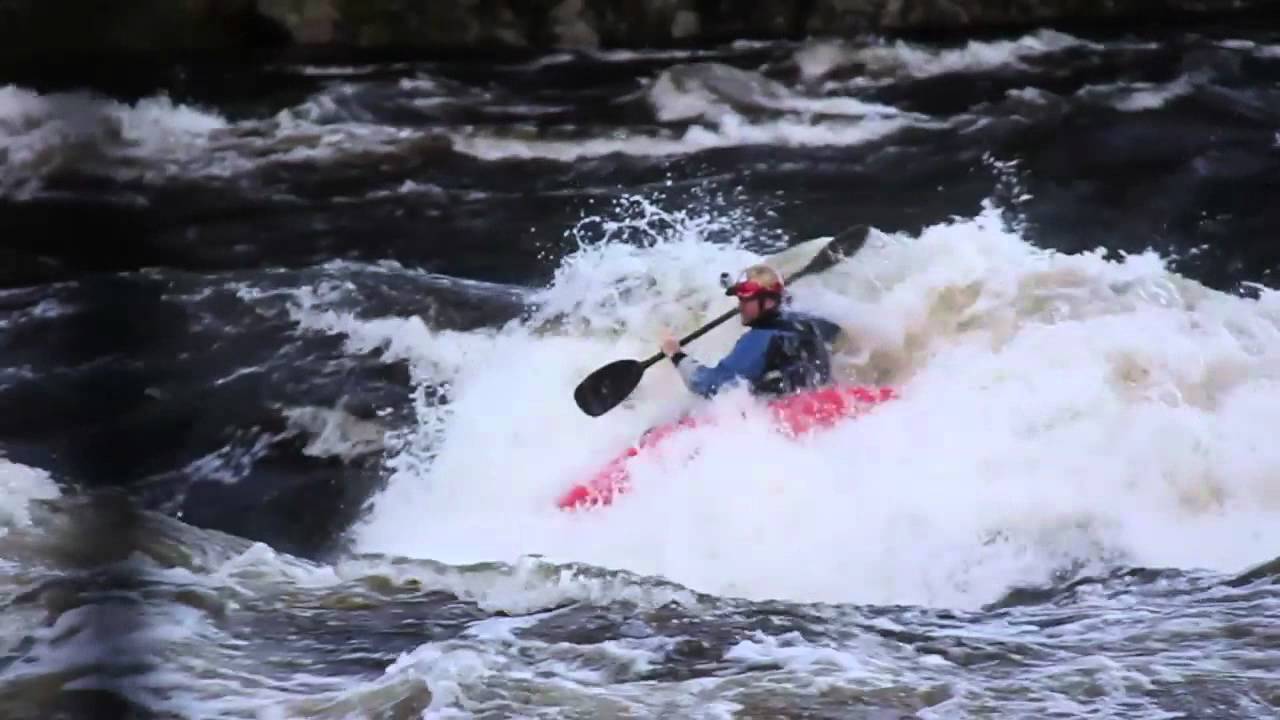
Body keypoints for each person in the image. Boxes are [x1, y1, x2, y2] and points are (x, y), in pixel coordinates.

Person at [660, 264, 842, 399]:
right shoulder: (806, 322)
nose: (740, 307)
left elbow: (710, 385)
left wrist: (676, 355)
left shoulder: (760, 341)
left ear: (769, 301)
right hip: (819, 401)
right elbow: (835, 330)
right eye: (740, 300)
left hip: (778, 417)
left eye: (746, 301)